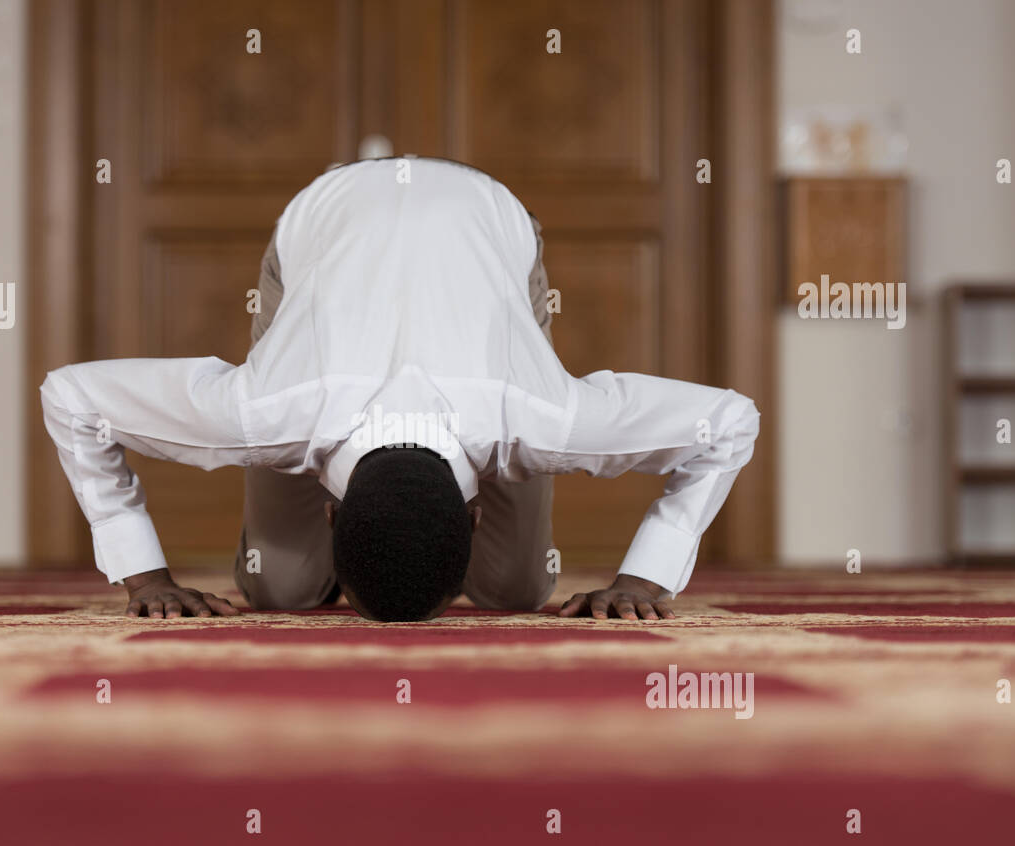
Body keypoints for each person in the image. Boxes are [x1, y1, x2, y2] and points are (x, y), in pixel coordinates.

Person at [40, 157, 759, 622]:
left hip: (487, 223)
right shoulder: (267, 409)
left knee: (514, 591)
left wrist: (646, 578)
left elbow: (729, 422)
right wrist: (143, 575)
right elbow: (72, 398)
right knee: (280, 589)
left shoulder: (536, 416)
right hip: (326, 222)